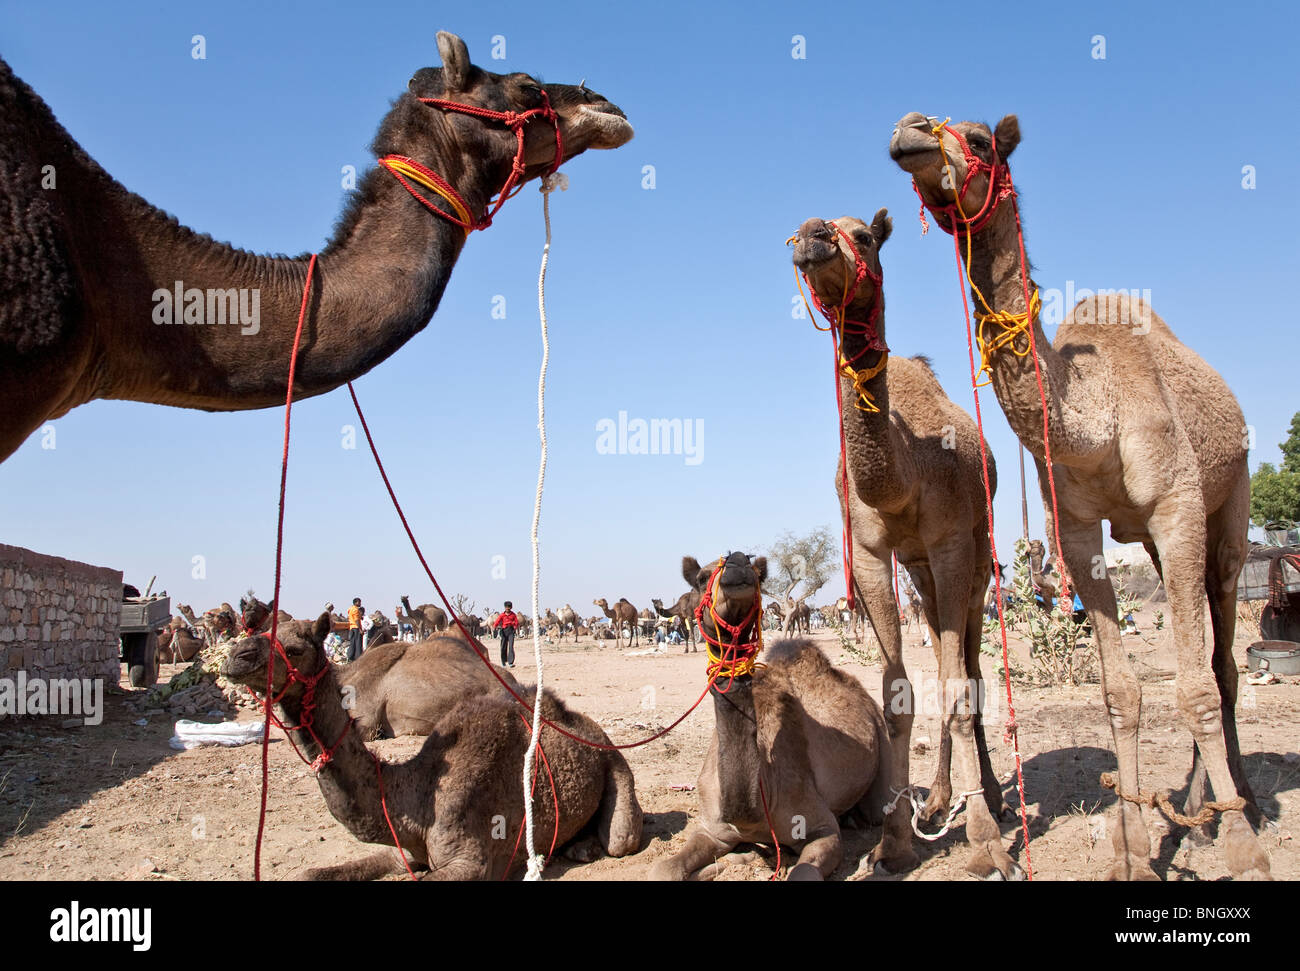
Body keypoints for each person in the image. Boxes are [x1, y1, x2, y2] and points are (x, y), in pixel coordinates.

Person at [492, 600, 519, 668]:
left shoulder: (513, 615)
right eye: (507, 607)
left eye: (509, 607)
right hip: (504, 631)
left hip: (511, 631)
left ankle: (510, 662)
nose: (508, 608)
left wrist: (515, 626)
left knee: (511, 646)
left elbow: (516, 622)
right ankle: (503, 662)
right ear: (505, 607)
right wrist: (494, 627)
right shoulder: (502, 615)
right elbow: (497, 621)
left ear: (511, 607)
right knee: (503, 647)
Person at [347, 597, 364, 662]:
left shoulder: (350, 609)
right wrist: (360, 629)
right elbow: (356, 620)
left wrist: (360, 617)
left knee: (352, 643)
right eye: (359, 602)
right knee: (358, 643)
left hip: (351, 627)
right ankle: (358, 658)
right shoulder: (355, 610)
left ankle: (350, 656)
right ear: (356, 602)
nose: (360, 603)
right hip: (356, 628)